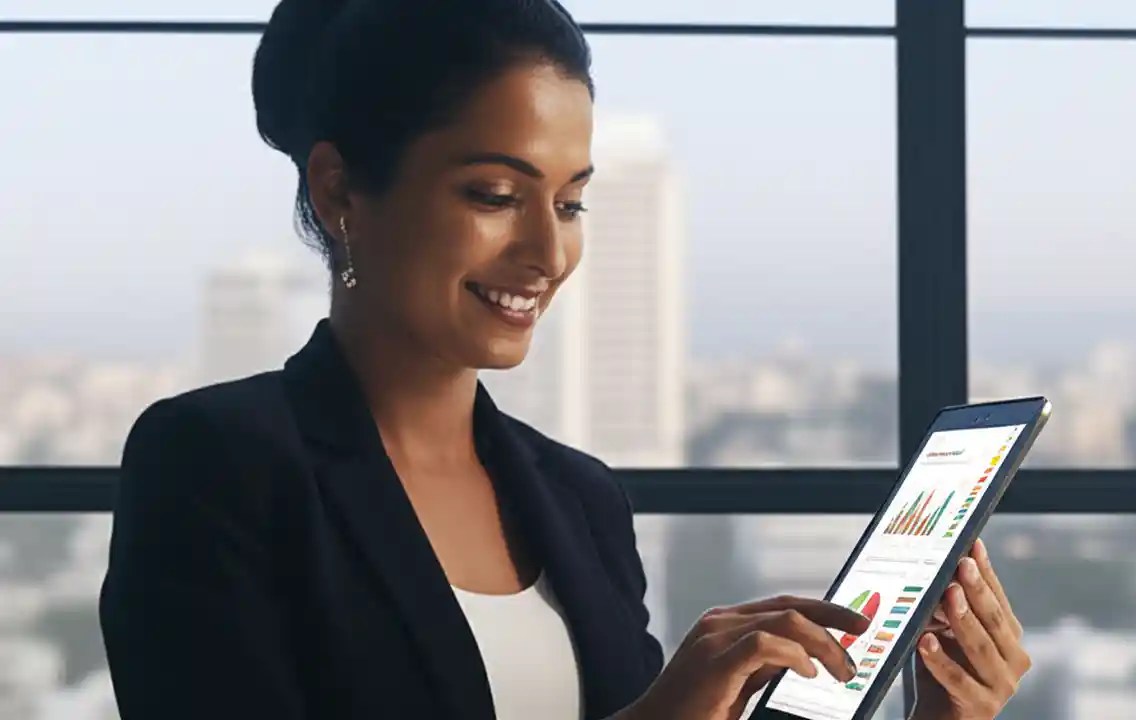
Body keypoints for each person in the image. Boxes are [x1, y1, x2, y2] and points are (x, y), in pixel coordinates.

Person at [97, 1, 1031, 718]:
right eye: (496, 193)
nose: (547, 254)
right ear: (341, 188)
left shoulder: (578, 499)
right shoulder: (215, 463)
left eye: (571, 203)